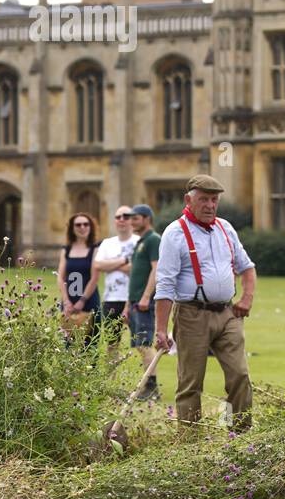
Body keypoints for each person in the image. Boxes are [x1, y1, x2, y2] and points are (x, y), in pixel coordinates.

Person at [154, 175, 257, 431]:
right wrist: (160, 329)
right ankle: (190, 443)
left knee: (240, 375)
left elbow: (247, 267)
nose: (210, 205)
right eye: (204, 200)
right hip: (191, 315)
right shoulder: (175, 233)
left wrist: (246, 298)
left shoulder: (225, 228)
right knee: (191, 383)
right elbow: (165, 284)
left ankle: (239, 435)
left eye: (214, 200)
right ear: (189, 200)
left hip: (227, 313)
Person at [126, 204, 161, 399]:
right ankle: (146, 385)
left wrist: (146, 297)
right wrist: (127, 305)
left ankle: (152, 388)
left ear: (146, 219)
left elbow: (156, 270)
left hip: (144, 301)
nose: (131, 222)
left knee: (145, 343)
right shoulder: (141, 241)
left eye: (135, 218)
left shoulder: (153, 240)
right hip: (135, 301)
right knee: (140, 344)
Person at [93, 205, 140, 343]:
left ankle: (151, 367)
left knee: (142, 344)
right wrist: (124, 260)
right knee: (111, 344)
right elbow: (97, 265)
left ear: (132, 219)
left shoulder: (139, 242)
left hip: (135, 299)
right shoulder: (107, 243)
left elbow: (139, 270)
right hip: (111, 299)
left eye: (125, 216)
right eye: (118, 217)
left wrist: (111, 265)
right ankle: (112, 366)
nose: (121, 219)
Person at [56, 212, 101, 341]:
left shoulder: (95, 249)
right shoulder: (67, 249)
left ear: (91, 227)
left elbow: (95, 277)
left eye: (86, 224)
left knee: (89, 344)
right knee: (69, 343)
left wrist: (82, 301)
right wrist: (66, 302)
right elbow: (61, 277)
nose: (82, 227)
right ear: (72, 228)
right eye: (78, 225)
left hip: (89, 301)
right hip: (69, 301)